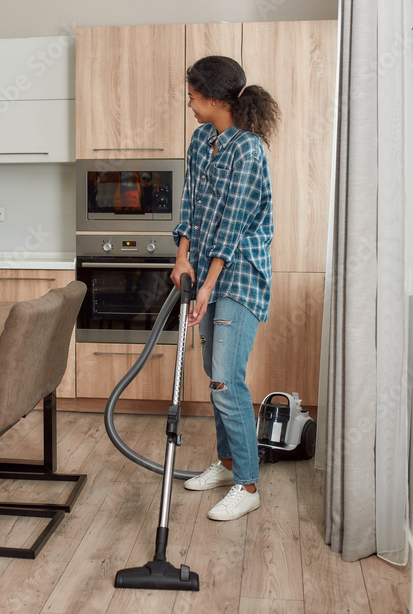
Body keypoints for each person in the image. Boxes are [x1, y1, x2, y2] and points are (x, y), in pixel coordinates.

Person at [170, 55, 280, 521]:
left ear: (215, 99)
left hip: (240, 273)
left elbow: (233, 227)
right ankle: (227, 462)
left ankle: (247, 484)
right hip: (205, 272)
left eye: (193, 96)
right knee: (213, 375)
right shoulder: (201, 139)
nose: (189, 104)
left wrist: (207, 286)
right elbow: (191, 202)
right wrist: (182, 258)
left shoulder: (249, 150)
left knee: (224, 378)